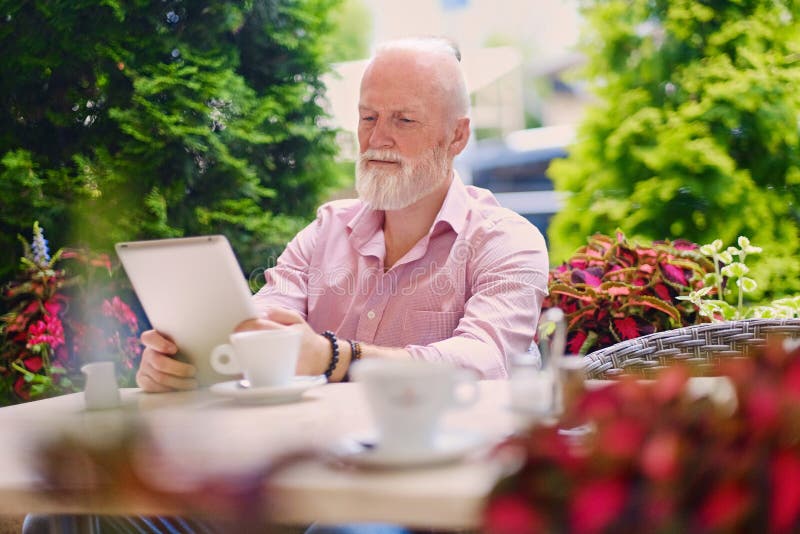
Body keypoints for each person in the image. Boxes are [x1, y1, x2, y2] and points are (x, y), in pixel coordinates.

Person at [136, 36, 549, 394]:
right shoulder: (325, 231)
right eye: (368, 117)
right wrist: (188, 363)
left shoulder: (506, 241)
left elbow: (487, 361)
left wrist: (336, 357)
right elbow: (263, 324)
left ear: (457, 135)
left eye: (403, 120)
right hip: (318, 457)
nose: (377, 137)